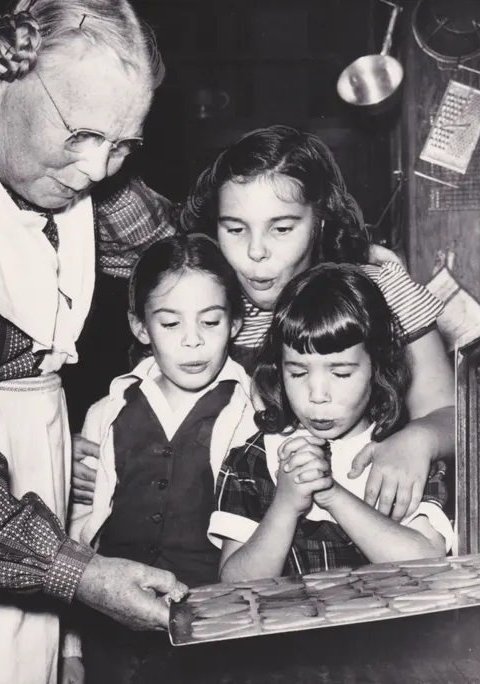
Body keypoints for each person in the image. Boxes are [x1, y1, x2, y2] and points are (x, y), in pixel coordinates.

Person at [0, 3, 187, 683]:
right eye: (82, 134)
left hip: (34, 464)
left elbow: (163, 252)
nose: (98, 169)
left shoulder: (76, 169)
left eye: (123, 144)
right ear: (0, 78)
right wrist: (73, 571)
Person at [74, 125, 455, 524]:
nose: (256, 251)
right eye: (235, 229)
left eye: (282, 228)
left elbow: (450, 411)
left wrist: (419, 439)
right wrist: (94, 456)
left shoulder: (382, 290)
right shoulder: (210, 307)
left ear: (320, 220)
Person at [60, 233, 258, 683]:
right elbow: (74, 533)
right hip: (109, 641)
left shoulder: (254, 415)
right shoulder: (107, 413)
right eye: (170, 324)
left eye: (211, 321)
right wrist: (69, 646)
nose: (193, 341)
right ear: (140, 327)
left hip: (213, 643)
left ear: (235, 323)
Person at [210, 264, 455, 579]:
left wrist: (331, 495)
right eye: (298, 372)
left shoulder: (402, 456)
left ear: (378, 367)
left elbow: (427, 563)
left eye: (340, 373)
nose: (317, 395)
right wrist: (285, 507)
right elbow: (234, 584)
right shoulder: (253, 459)